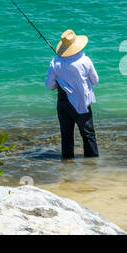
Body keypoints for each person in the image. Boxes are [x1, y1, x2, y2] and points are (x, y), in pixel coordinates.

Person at [45, 29, 100, 159]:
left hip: (64, 103)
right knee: (88, 135)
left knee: (66, 136)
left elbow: (49, 85)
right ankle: (92, 167)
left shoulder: (55, 62)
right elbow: (95, 81)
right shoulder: (85, 60)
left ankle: (67, 167)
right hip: (82, 103)